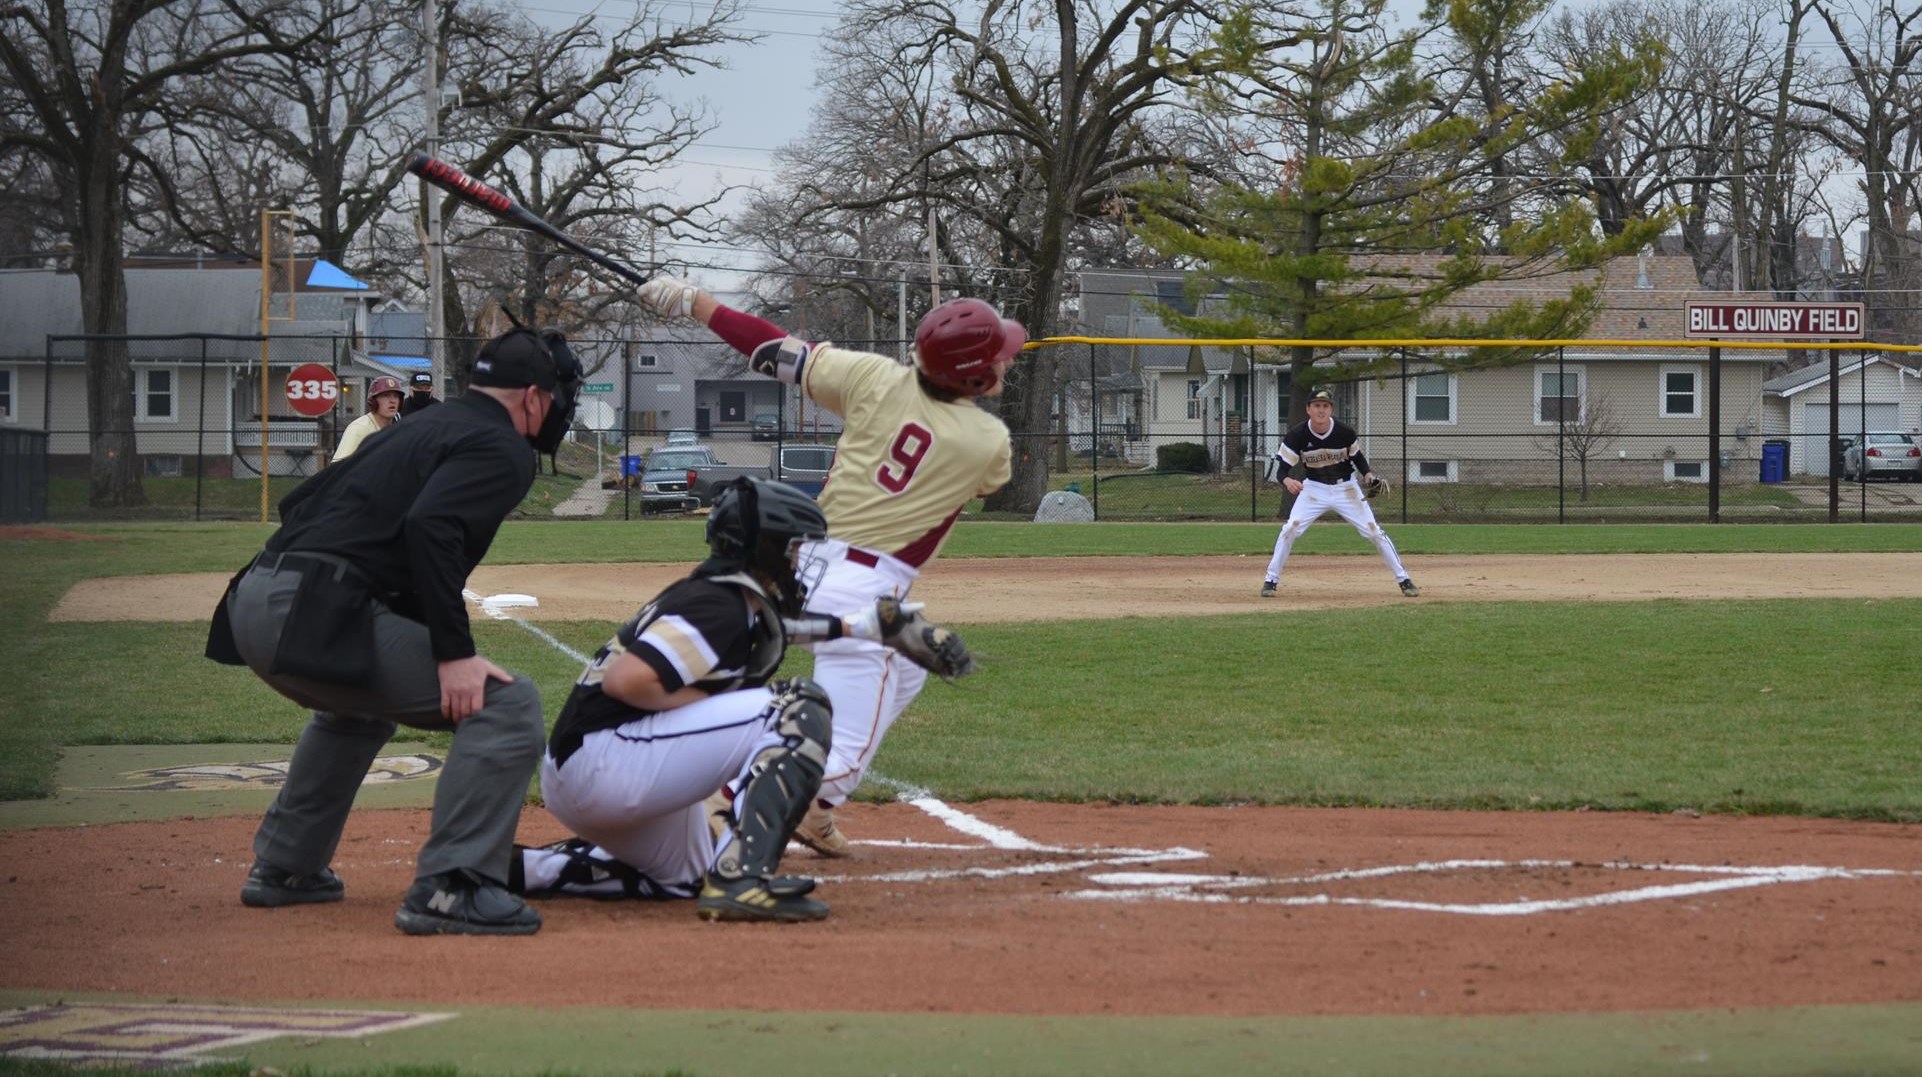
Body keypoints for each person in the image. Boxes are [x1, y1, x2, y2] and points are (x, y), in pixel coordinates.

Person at [204, 325, 582, 936]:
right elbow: (432, 526)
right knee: (506, 704)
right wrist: (455, 654)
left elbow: (303, 504)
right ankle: (453, 888)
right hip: (310, 609)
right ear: (533, 397)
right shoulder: (502, 445)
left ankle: (287, 867)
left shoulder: (420, 426)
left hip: (256, 596)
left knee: (357, 708)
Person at [634, 275, 1019, 857]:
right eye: (997, 359)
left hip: (807, 565)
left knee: (910, 669)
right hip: (865, 588)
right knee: (843, 751)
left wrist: (695, 302)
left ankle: (812, 814)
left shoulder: (871, 376)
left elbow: (769, 348)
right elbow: (986, 487)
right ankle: (727, 807)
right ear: (971, 376)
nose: (1005, 365)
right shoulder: (987, 440)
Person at [515, 477, 971, 921]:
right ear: (764, 547)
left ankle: (523, 869)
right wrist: (715, 706)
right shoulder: (717, 605)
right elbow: (626, 681)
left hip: (590, 772)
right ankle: (742, 878)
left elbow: (775, 629)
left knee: (683, 878)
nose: (799, 561)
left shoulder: (729, 599)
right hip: (605, 764)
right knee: (797, 706)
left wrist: (863, 627)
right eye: (793, 548)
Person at [1261, 389, 1419, 599]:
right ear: (1308, 409)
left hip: (1346, 489)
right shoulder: (1297, 434)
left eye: (1325, 406)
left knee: (1374, 532)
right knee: (1290, 529)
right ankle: (1271, 580)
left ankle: (1404, 579)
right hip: (1314, 489)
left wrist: (1369, 477)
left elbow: (1358, 459)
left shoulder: (1344, 432)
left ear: (1331, 409)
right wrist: (1287, 480)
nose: (1321, 410)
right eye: (1316, 405)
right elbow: (1282, 469)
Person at [332, 375, 403, 461]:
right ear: (373, 401)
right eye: (385, 395)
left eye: (395, 396)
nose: (392, 400)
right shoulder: (359, 428)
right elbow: (338, 465)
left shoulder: (400, 427)